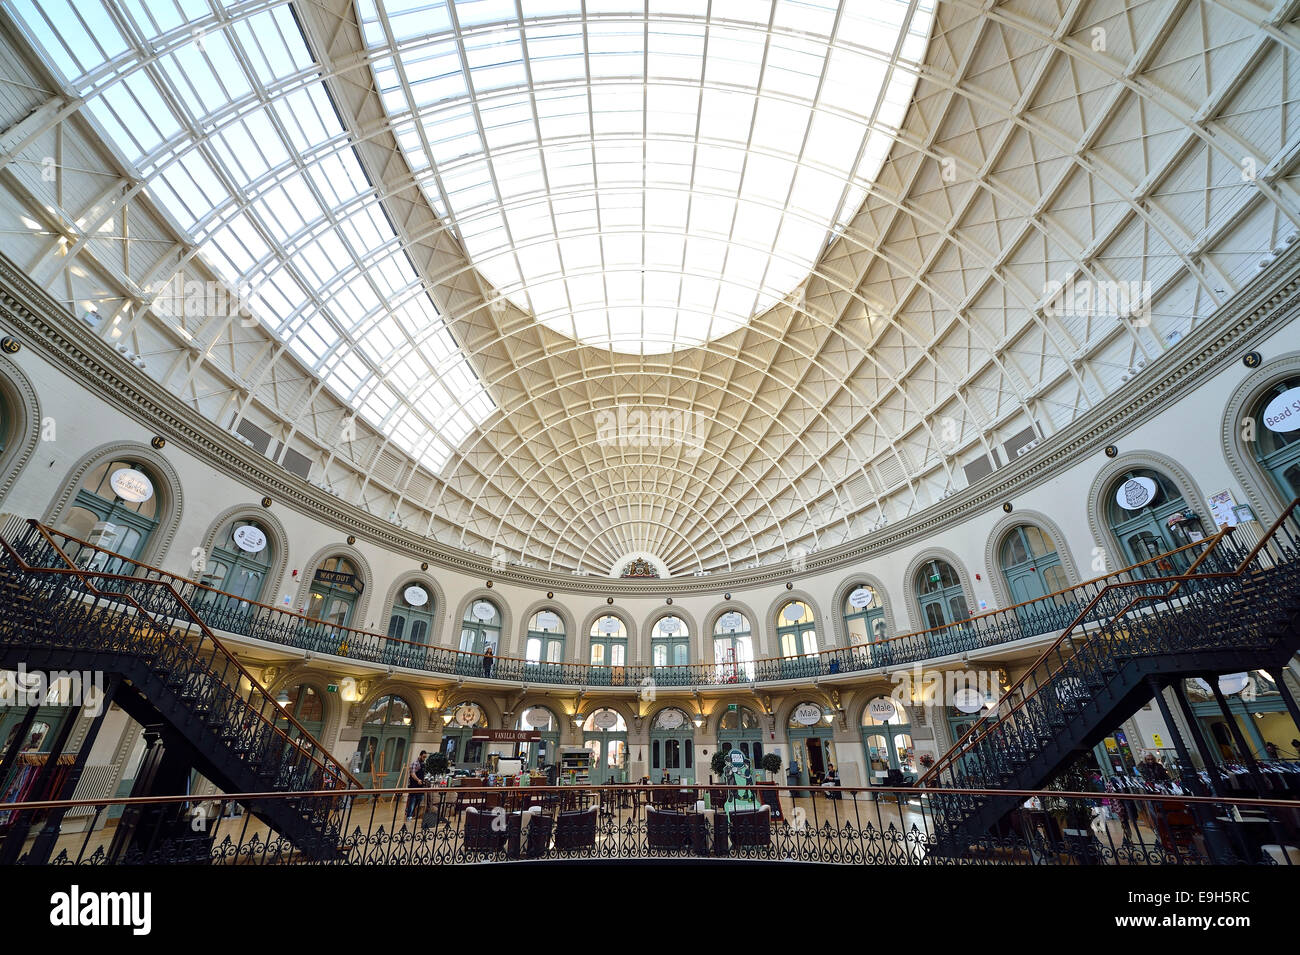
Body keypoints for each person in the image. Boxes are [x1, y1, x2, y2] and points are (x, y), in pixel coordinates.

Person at [406, 750, 428, 820]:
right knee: (412, 800)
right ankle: (409, 816)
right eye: (423, 757)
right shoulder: (415, 763)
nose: (424, 758)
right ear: (420, 755)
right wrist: (418, 780)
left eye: (425, 757)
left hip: (420, 785)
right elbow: (412, 773)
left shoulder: (423, 764)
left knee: (419, 798)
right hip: (414, 784)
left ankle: (410, 811)